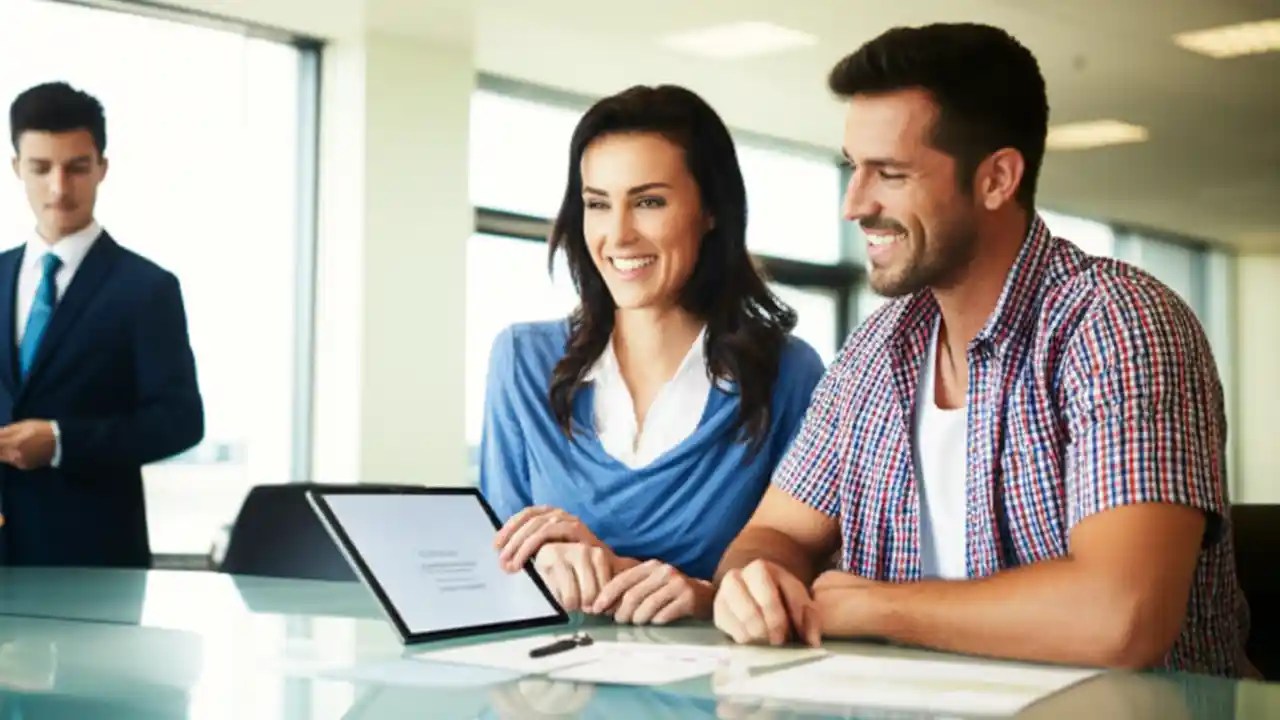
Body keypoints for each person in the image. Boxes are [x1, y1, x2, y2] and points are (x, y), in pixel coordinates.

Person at [712, 23, 1252, 677]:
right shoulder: (874, 354)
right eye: (853, 168)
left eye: (890, 173)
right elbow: (777, 534)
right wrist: (755, 583)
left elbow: (1122, 616)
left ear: (996, 179)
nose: (854, 205)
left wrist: (876, 608)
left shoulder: (1118, 324)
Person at [481, 85, 824, 626]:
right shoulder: (522, 361)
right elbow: (496, 555)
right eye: (597, 204)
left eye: (649, 202)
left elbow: (812, 571)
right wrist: (544, 558)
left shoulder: (787, 374)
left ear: (710, 209)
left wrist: (708, 596)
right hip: (554, 694)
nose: (617, 234)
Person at [0, 82, 204, 567]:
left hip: (92, 557)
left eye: (76, 168)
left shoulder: (146, 288)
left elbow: (180, 422)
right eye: (41, 168)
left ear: (102, 169)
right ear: (16, 169)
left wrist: (62, 441)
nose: (58, 188)